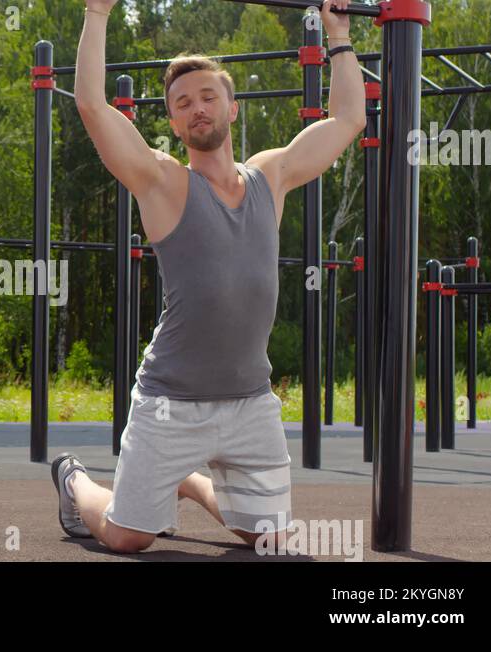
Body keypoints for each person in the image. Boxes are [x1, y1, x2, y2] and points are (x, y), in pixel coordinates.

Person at [53, 0, 366, 553]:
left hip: (249, 400)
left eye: (207, 96)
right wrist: (97, 13)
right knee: (130, 538)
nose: (197, 108)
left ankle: (189, 482)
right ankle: (76, 480)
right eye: (182, 103)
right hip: (171, 400)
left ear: (231, 107)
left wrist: (338, 35)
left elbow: (347, 120)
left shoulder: (273, 174)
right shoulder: (163, 183)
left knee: (264, 538)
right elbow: (93, 108)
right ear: (172, 122)